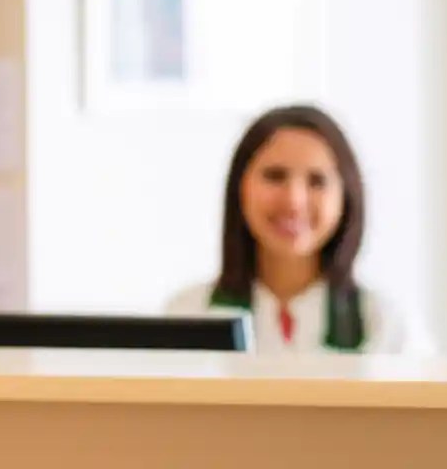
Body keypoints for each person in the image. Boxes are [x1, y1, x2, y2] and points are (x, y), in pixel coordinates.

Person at [166, 105, 425, 354]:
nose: (294, 201)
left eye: (317, 181)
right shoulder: (188, 314)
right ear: (240, 188)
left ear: (345, 197)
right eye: (275, 176)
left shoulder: (384, 325)